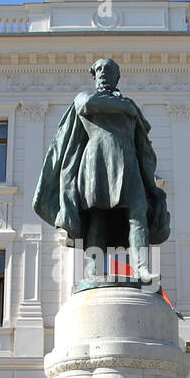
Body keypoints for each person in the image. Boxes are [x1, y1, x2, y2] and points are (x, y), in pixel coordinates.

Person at [33, 57, 169, 281]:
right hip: (95, 163)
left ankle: (141, 268)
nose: (103, 73)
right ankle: (93, 270)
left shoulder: (130, 107)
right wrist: (127, 107)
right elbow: (86, 105)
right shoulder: (88, 99)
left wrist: (150, 181)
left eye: (108, 70)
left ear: (117, 76)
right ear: (94, 76)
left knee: (138, 213)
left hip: (128, 163)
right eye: (98, 70)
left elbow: (143, 141)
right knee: (98, 217)